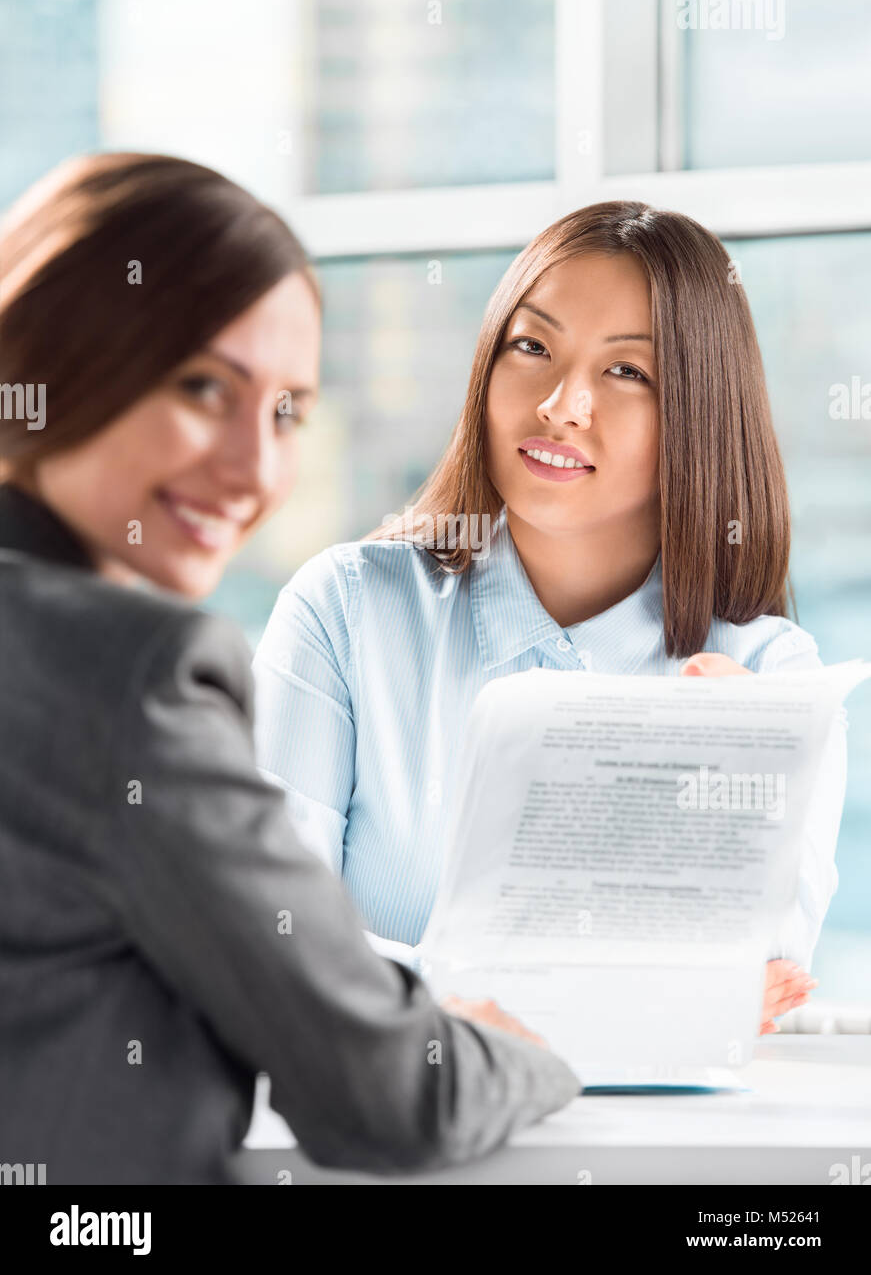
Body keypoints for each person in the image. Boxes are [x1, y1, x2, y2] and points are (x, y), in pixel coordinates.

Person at [0, 152, 580, 1186]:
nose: (254, 468)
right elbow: (390, 1093)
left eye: (286, 413)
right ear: (49, 355)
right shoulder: (126, 676)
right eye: (201, 387)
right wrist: (533, 1047)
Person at [253, 201, 844, 1031]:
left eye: (627, 372)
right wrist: (593, 1002)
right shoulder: (344, 611)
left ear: (699, 415)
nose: (563, 405)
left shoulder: (768, 679)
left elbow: (750, 990)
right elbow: (271, 939)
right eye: (531, 347)